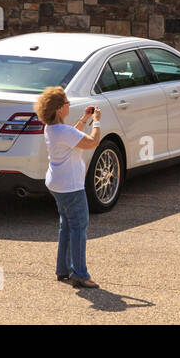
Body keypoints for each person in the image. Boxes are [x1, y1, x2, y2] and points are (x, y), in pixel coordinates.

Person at [35, 85, 103, 289]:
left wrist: (84, 119)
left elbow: (71, 135)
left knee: (66, 225)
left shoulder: (51, 128)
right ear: (58, 109)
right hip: (71, 187)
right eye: (66, 103)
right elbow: (92, 142)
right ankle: (80, 274)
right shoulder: (62, 131)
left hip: (57, 184)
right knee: (78, 227)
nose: (68, 105)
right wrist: (96, 122)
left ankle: (63, 269)